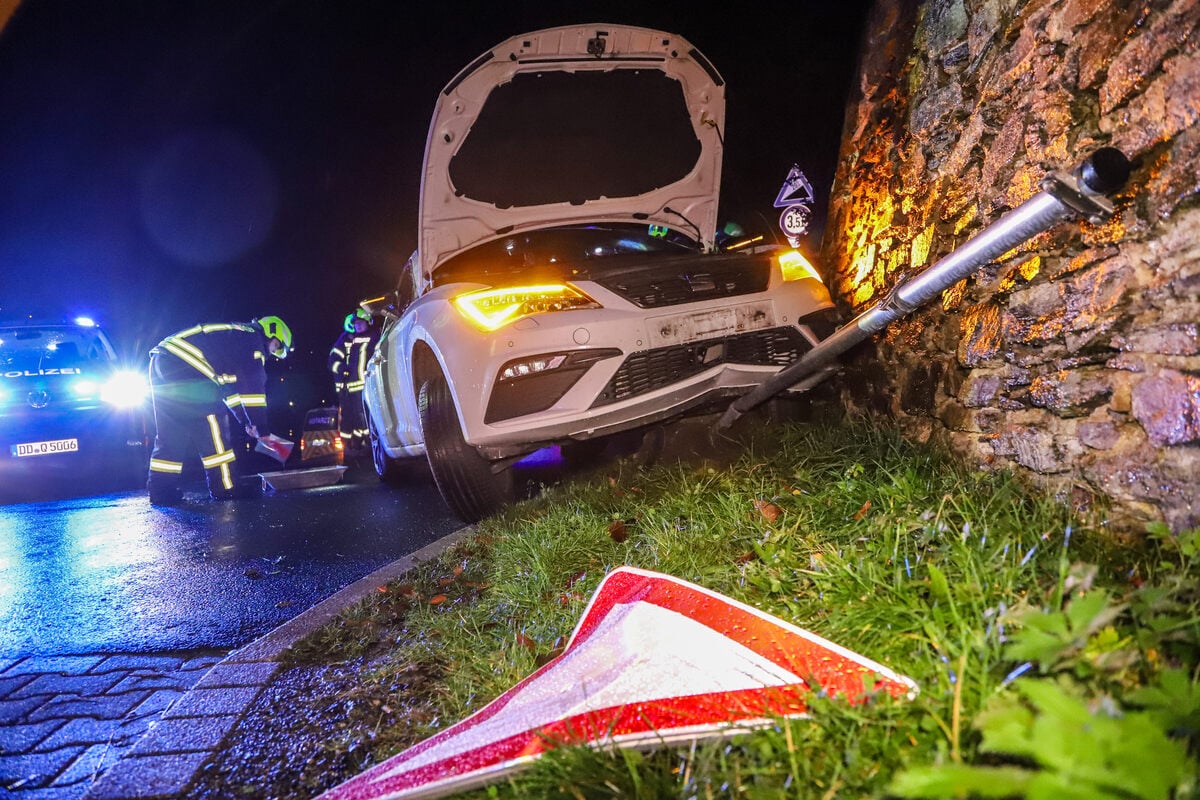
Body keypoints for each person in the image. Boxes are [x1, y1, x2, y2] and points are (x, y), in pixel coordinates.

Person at [146, 316, 292, 505]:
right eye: (275, 347)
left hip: (163, 362)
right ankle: (225, 487)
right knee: (213, 428)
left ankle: (161, 491)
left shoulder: (234, 340)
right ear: (272, 334)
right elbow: (253, 391)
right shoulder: (252, 342)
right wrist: (262, 429)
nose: (271, 353)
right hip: (190, 366)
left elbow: (229, 392)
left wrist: (246, 421)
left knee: (172, 434)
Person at [327, 308, 379, 454]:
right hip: (350, 387)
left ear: (368, 322)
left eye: (361, 323)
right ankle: (354, 444)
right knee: (354, 417)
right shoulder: (348, 340)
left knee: (362, 416)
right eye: (356, 323)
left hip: (365, 384)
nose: (358, 326)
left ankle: (363, 442)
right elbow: (332, 362)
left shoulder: (372, 337)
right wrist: (344, 369)